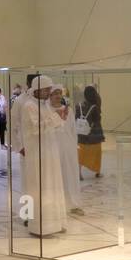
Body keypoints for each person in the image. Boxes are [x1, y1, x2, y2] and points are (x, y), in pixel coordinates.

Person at [16, 76, 68, 236]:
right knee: (38, 186)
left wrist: (61, 118)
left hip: (49, 151)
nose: (49, 92)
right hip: (36, 153)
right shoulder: (28, 105)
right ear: (37, 89)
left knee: (52, 184)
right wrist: (56, 117)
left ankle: (55, 223)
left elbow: (51, 125)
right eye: (47, 89)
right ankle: (39, 225)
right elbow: (36, 128)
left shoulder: (44, 105)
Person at [52, 86, 83, 216]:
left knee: (70, 174)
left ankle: (74, 204)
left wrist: (74, 145)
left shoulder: (68, 110)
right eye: (55, 93)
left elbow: (72, 129)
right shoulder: (46, 111)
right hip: (53, 147)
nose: (58, 96)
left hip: (68, 147)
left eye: (60, 93)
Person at [77, 84, 104, 178]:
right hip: (94, 135)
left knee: (81, 153)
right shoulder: (95, 107)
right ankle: (97, 172)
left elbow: (76, 118)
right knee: (96, 153)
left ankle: (79, 173)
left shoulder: (78, 105)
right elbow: (97, 120)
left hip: (82, 134)